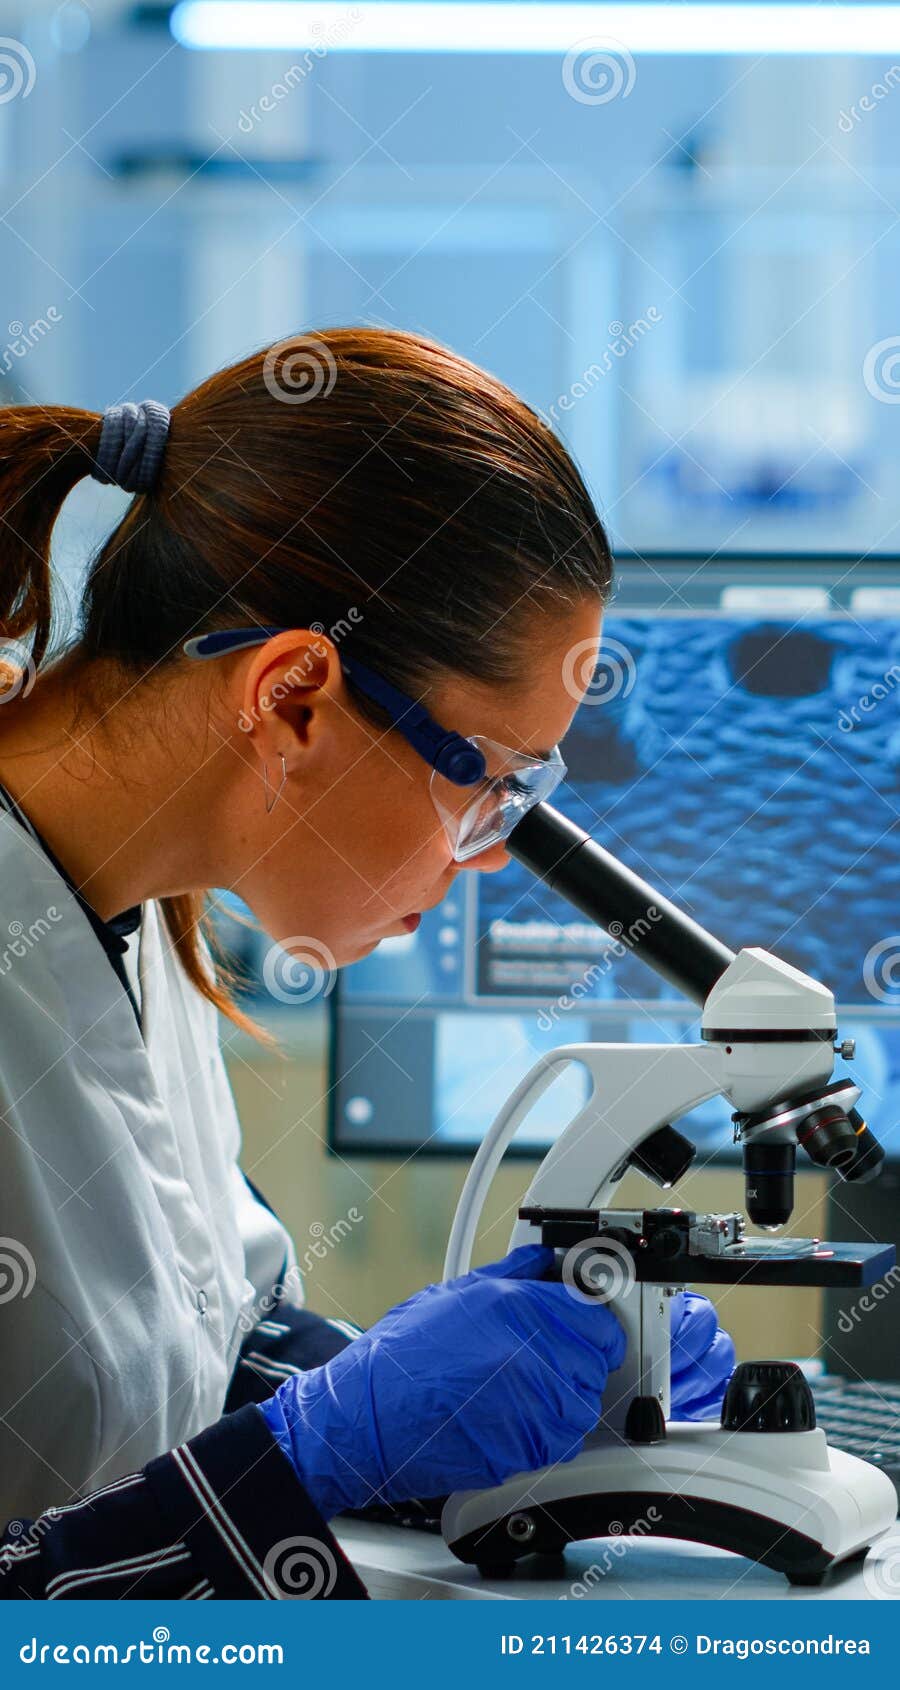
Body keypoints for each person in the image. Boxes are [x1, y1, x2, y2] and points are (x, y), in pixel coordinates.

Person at [0, 330, 734, 1598]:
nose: (495, 854)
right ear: (292, 698)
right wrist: (306, 1455)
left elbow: (199, 1334)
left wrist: (419, 1402)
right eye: (488, 784)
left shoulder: (140, 908)